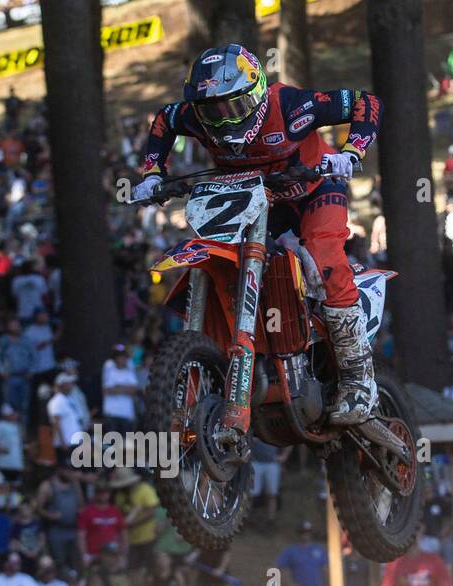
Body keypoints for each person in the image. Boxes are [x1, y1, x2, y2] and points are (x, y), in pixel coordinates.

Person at [136, 45, 383, 424]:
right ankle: (222, 364)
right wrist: (153, 171)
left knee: (323, 257)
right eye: (210, 111)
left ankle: (358, 379)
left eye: (231, 108)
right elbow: (164, 120)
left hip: (313, 191)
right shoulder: (191, 117)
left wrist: (351, 152)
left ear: (254, 93)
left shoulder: (291, 106)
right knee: (220, 258)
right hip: (254, 201)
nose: (220, 120)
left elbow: (364, 102)